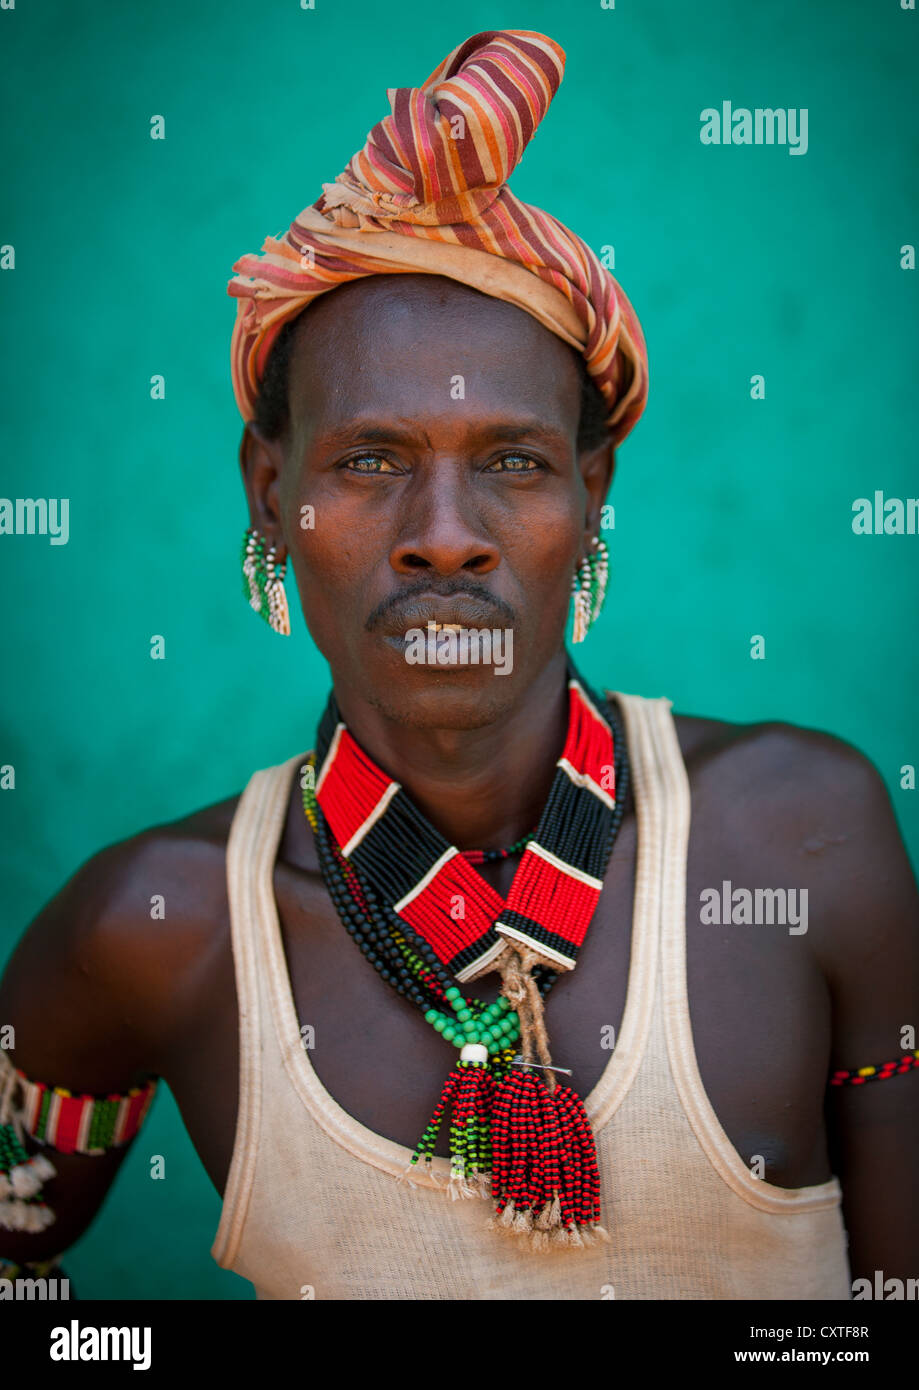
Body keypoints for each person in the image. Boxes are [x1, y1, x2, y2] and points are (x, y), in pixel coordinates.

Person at [1, 28, 917, 1302]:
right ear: (271, 495)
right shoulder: (159, 929)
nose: (443, 536)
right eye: (371, 460)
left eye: (515, 462)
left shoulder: (805, 835)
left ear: (592, 495)